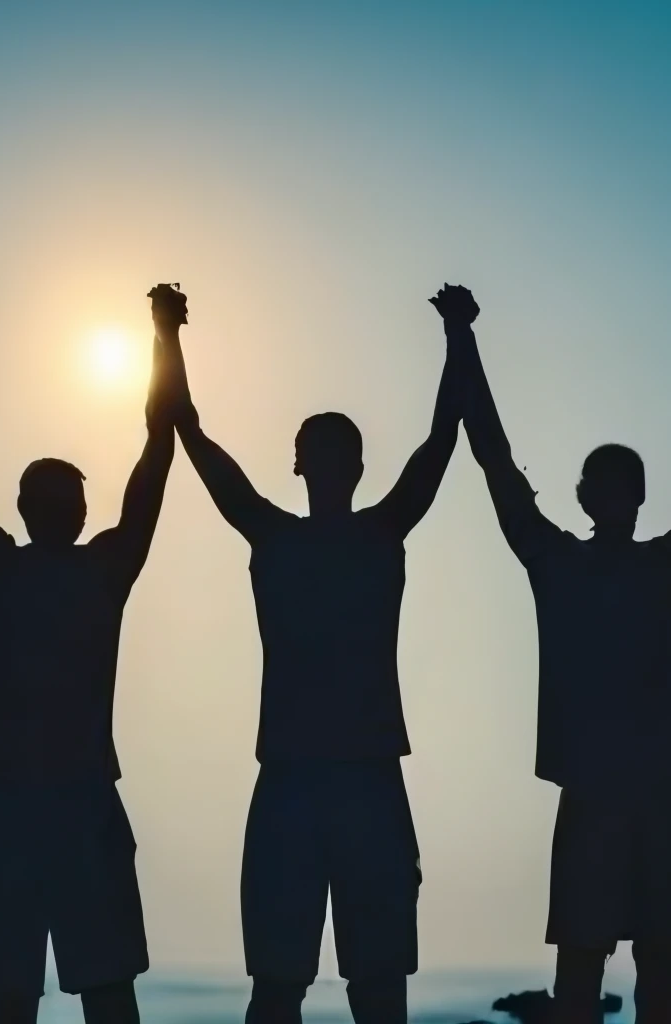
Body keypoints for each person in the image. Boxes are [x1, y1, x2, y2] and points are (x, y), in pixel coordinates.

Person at [449, 285, 671, 1024]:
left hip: (663, 786)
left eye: (624, 486)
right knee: (581, 961)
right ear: (585, 497)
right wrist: (463, 338)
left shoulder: (662, 563)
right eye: (603, 485)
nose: (614, 496)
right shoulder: (554, 561)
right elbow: (494, 460)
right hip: (594, 787)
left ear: (636, 498)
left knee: (661, 958)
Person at [147, 282, 466, 1024]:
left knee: (369, 984)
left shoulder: (366, 534)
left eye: (335, 450)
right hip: (301, 777)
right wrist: (166, 336)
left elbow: (442, 439)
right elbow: (189, 432)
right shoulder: (287, 535)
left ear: (354, 466)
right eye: (316, 450)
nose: (324, 461)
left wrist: (459, 334)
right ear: (300, 464)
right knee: (284, 983)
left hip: (355, 776)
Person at [0, 289, 175, 1024]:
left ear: (79, 512)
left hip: (71, 799)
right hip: (15, 798)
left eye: (68, 498)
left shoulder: (91, 570)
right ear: (25, 508)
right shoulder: (1, 566)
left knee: (97, 987)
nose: (64, 508)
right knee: (19, 990)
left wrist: (165, 338)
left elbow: (157, 452)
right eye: (52, 496)